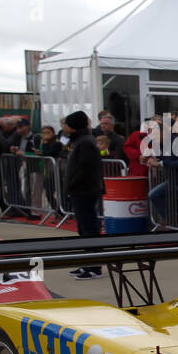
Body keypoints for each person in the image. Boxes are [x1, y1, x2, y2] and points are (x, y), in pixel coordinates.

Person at [62, 111, 105, 279]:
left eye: (66, 124)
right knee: (84, 228)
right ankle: (87, 262)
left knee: (89, 228)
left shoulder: (85, 142)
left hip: (84, 190)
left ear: (73, 126)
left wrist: (71, 185)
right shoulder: (80, 141)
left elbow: (84, 169)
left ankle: (94, 266)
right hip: (80, 190)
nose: (64, 127)